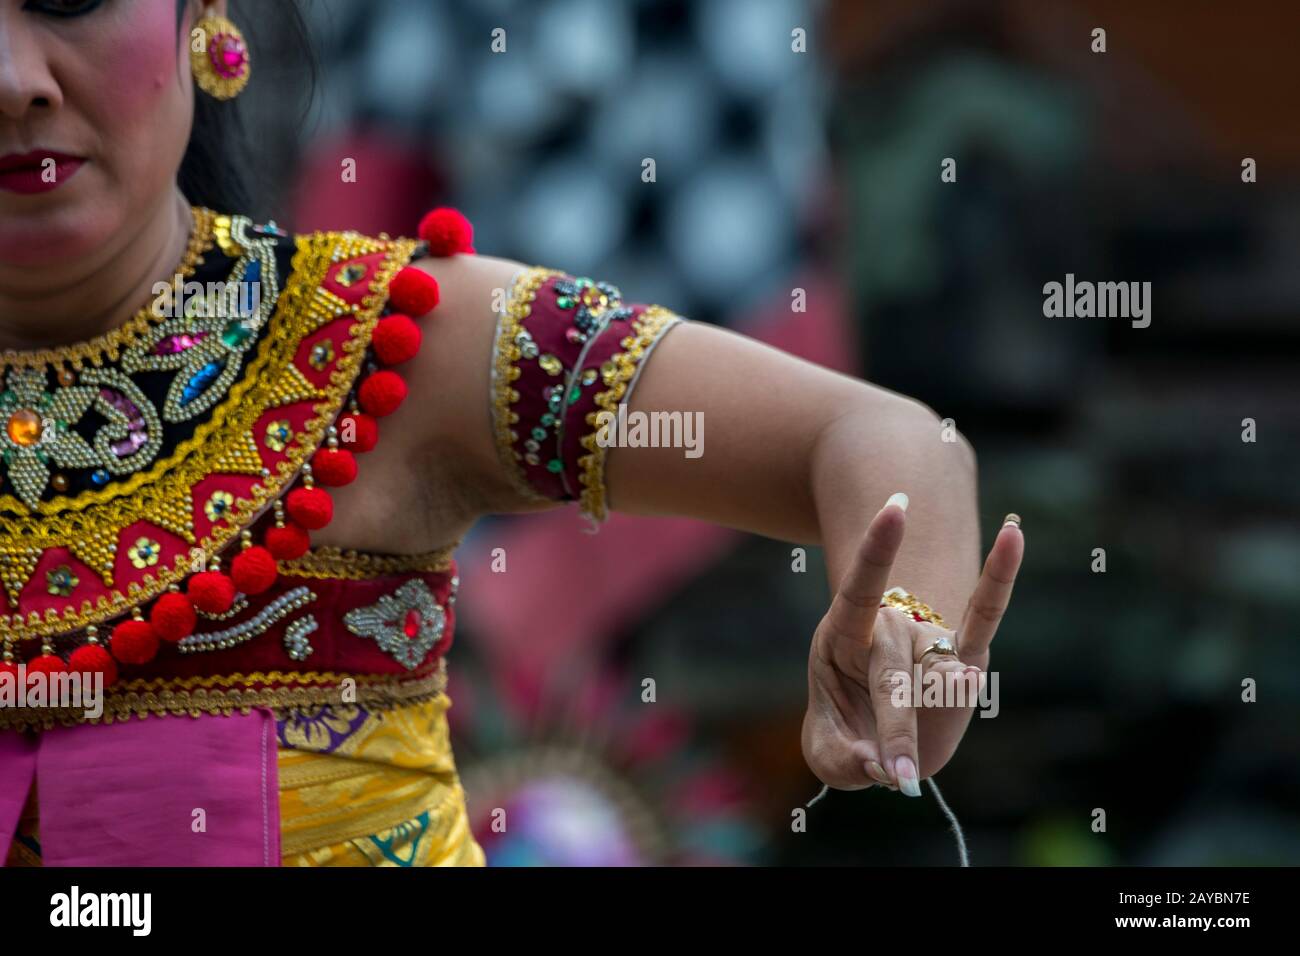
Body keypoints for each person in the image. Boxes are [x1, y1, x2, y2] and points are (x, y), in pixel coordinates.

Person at [0, 0, 1023, 867]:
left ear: (200, 12)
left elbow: (878, 438)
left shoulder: (381, 344)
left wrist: (905, 636)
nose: (12, 80)